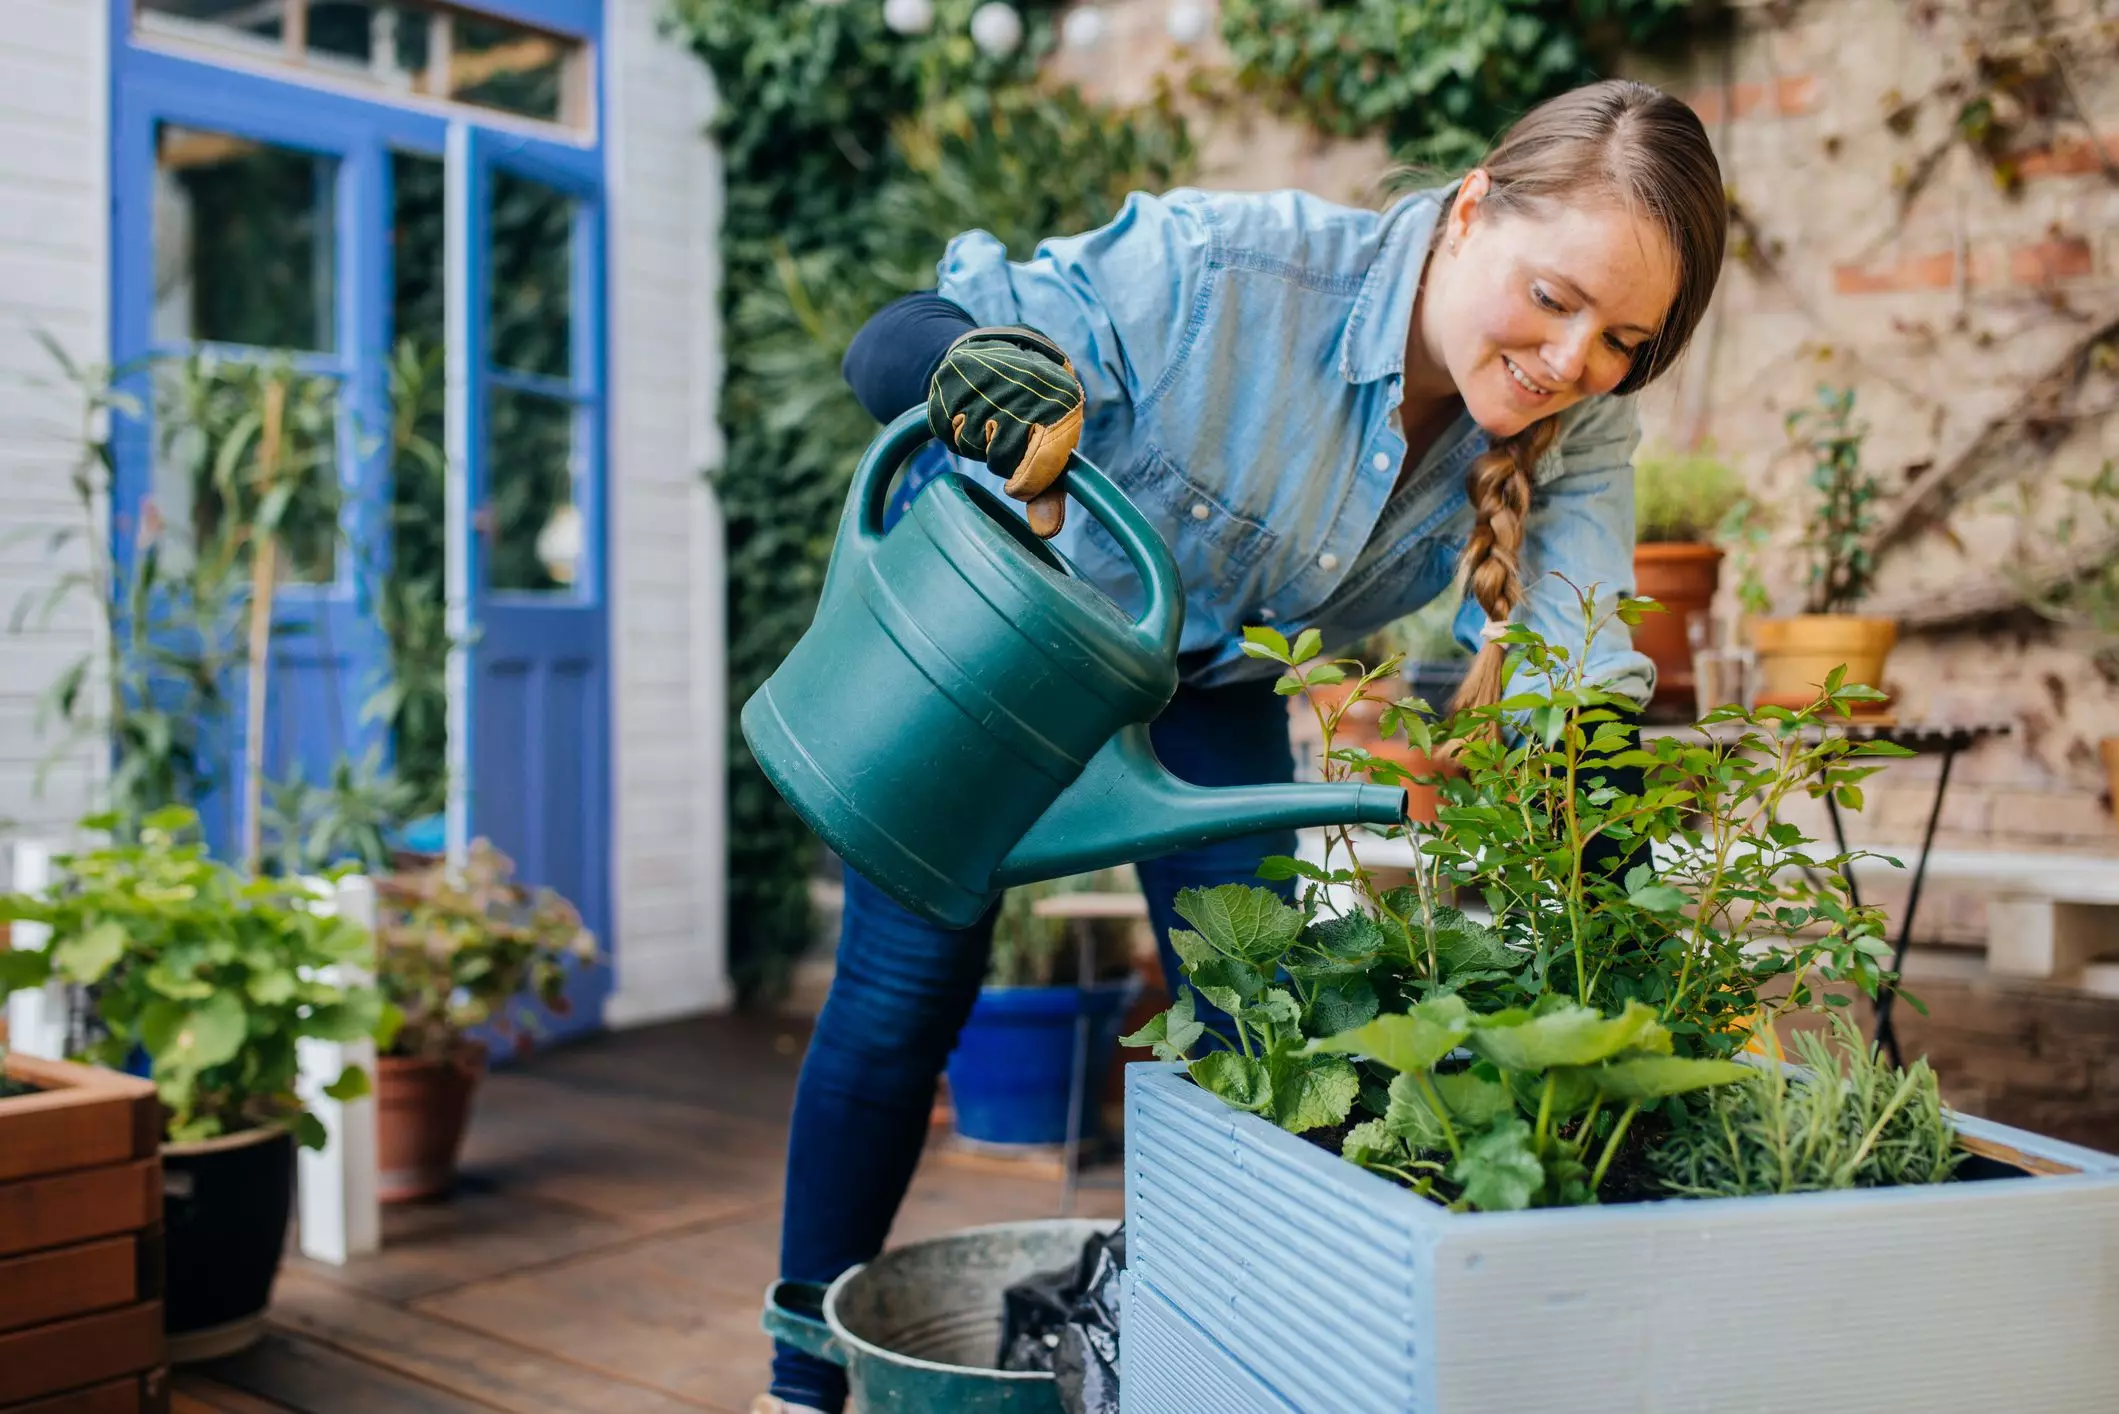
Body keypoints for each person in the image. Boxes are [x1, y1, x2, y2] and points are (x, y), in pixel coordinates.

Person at [754, 77, 1727, 1414]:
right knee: (899, 999)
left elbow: (1580, 662)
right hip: (1003, 640)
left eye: (1622, 337)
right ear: (1469, 210)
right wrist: (983, 377)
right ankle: (798, 1386)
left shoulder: (1576, 421)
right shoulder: (1228, 271)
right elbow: (893, 344)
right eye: (1553, 299)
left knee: (1255, 1010)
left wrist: (1625, 926)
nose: (1573, 361)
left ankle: (1211, 1356)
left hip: (1200, 672)